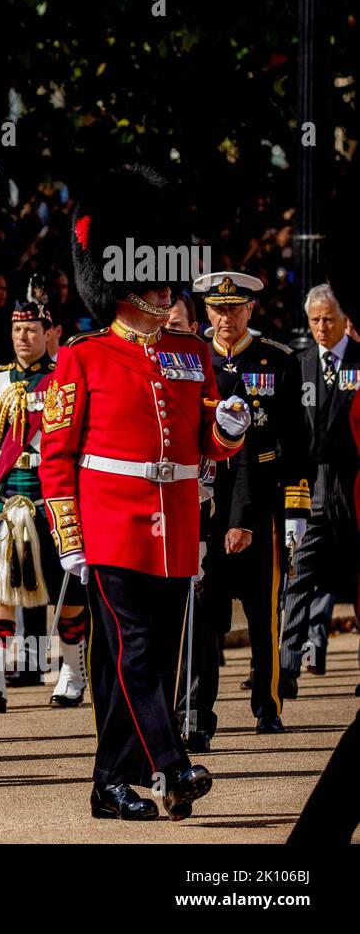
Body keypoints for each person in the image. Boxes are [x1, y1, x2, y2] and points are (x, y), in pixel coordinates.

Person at [39, 165, 251, 822]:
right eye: (155, 283)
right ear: (123, 286)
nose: (168, 292)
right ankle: (170, 762)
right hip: (110, 526)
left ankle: (112, 783)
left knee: (135, 661)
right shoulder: (84, 356)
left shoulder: (191, 352)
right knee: (135, 653)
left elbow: (204, 445)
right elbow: (57, 455)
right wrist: (70, 539)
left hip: (177, 528)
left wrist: (228, 428)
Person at [176, 272, 310, 747]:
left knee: (262, 614)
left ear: (250, 309)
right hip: (205, 502)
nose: (225, 318)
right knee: (203, 618)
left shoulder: (277, 359)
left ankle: (268, 706)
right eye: (217, 309)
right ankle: (196, 713)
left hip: (262, 502)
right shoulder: (192, 359)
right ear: (207, 312)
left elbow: (296, 439)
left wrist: (295, 508)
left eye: (234, 308)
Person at [0, 282, 88, 713]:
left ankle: (72, 678)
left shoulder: (64, 379)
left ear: (50, 332)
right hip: (8, 504)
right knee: (0, 594)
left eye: (32, 329)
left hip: (54, 501)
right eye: (18, 330)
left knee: (67, 596)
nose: (23, 337)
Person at [279, 283, 360, 685]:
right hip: (309, 486)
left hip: (353, 483)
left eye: (329, 319)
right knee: (296, 578)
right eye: (315, 320)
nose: (322, 327)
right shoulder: (299, 363)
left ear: (345, 320)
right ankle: (287, 670)